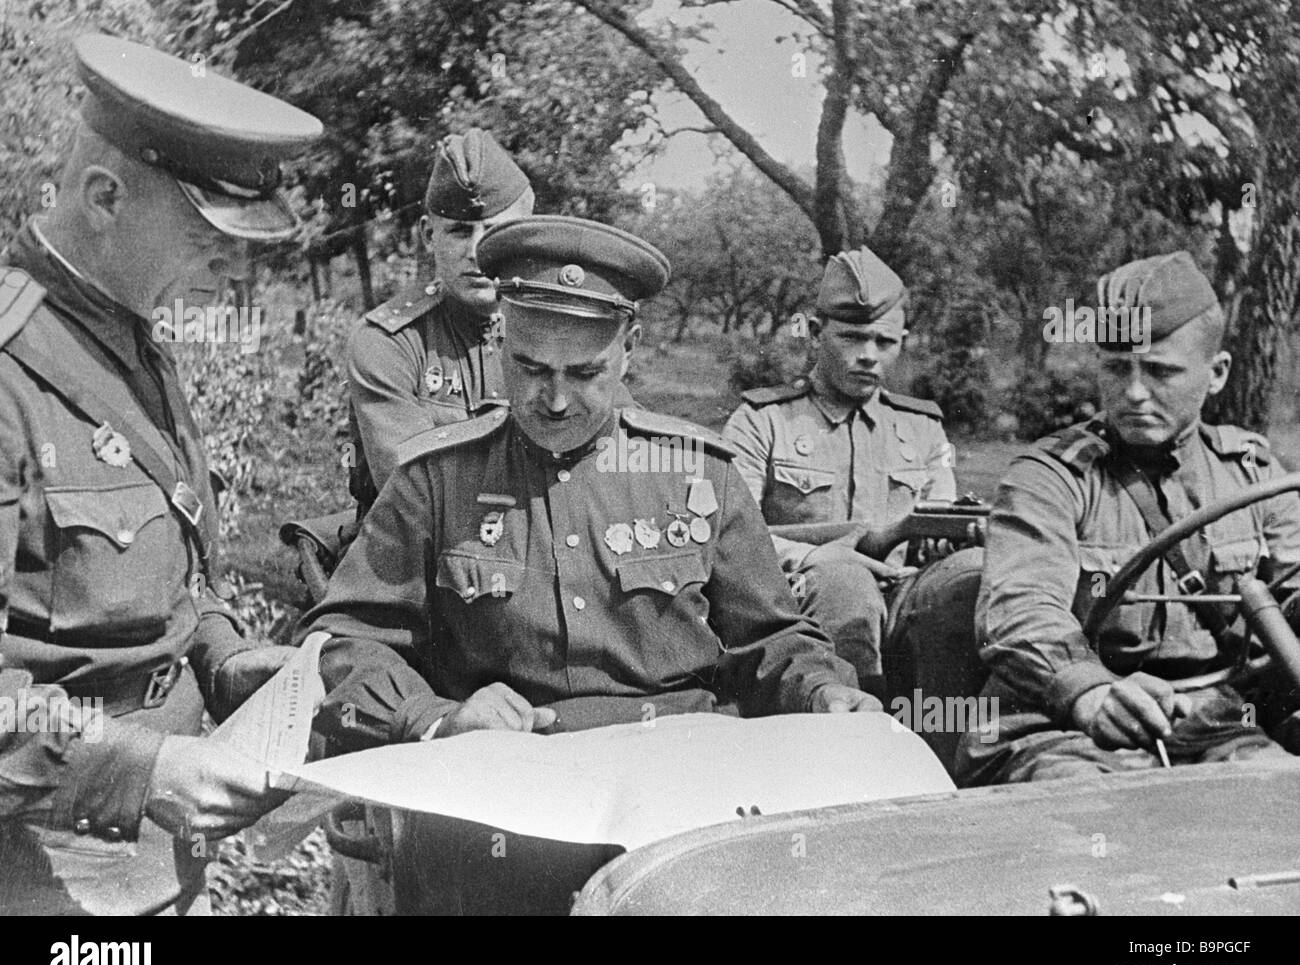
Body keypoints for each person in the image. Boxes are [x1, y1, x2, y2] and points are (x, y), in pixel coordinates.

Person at [298, 216, 879, 913]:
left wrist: (820, 689)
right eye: (532, 369)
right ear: (500, 340)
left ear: (628, 349)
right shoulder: (437, 478)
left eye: (585, 372)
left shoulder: (697, 473)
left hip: (682, 803)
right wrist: (436, 716)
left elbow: (770, 640)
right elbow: (343, 643)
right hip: (502, 818)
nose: (557, 399)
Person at [0, 34, 322, 915]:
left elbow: (168, 572)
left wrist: (226, 657)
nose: (236, 270)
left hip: (163, 855)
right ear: (105, 197)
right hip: (41, 874)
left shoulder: (134, 345)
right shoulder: (11, 369)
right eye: (209, 236)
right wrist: (144, 772)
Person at [956, 251, 1300, 786]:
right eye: (1117, 369)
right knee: (1095, 817)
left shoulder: (1253, 473)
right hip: (1056, 726)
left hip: (1214, 724)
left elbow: (1294, 592)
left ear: (1218, 374)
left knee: (1277, 799)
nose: (1135, 393)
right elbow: (1021, 608)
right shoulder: (1051, 476)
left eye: (1161, 371)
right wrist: (1088, 690)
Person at [723, 246, 956, 694]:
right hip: (795, 598)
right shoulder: (763, 420)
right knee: (846, 584)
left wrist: (948, 545)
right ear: (814, 332)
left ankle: (948, 748)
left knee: (966, 583)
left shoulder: (922, 427)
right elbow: (732, 538)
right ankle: (845, 737)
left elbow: (941, 519)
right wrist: (817, 555)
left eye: (884, 342)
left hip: (903, 594)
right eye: (852, 337)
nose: (869, 355)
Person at [345, 128, 533, 515]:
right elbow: (413, 494)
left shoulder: (554, 332)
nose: (477, 253)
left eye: (496, 233)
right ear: (429, 235)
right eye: (460, 232)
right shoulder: (388, 342)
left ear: (526, 236)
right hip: (414, 560)